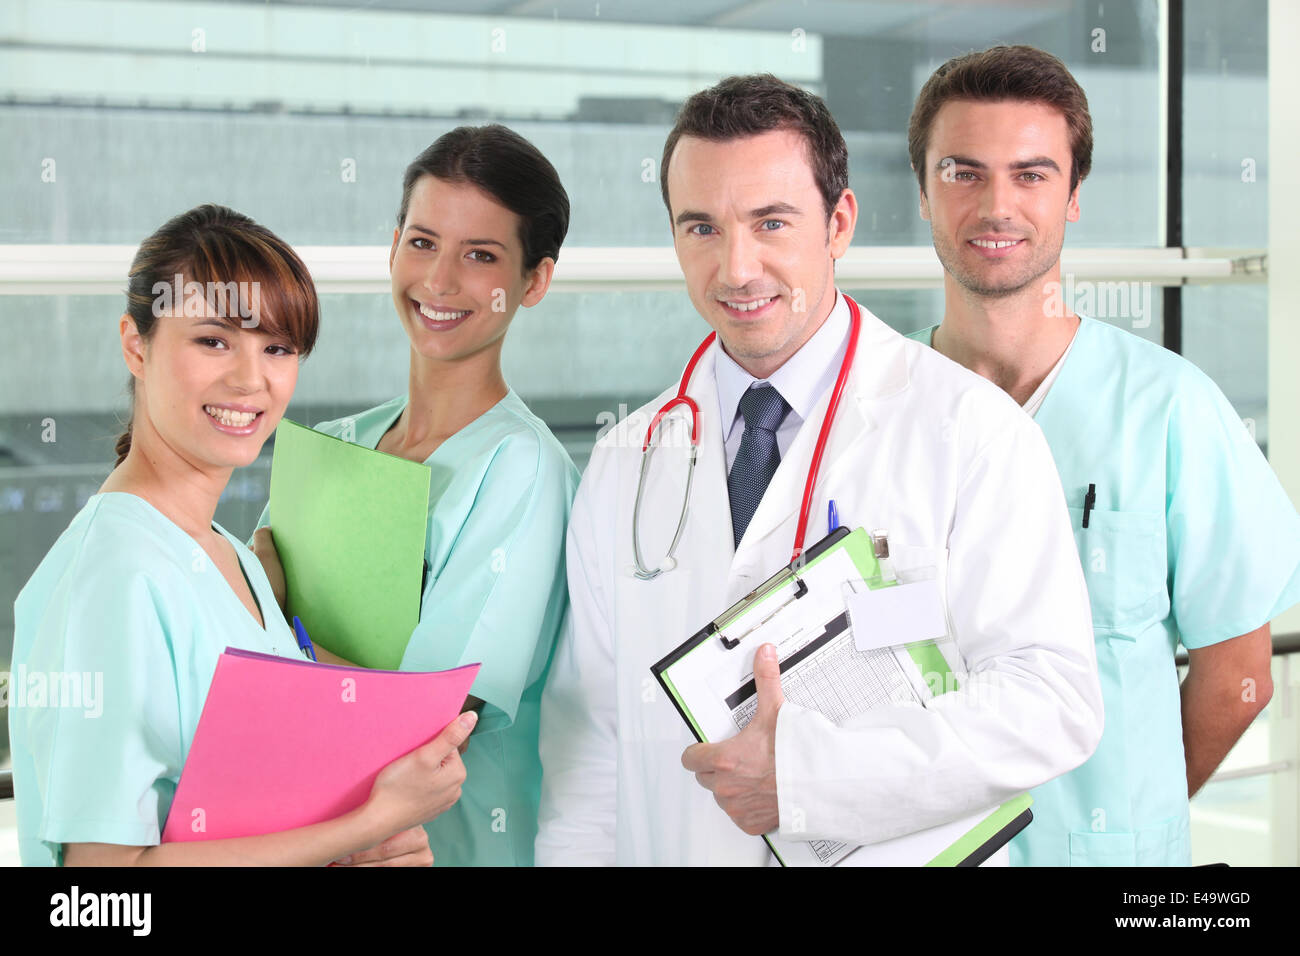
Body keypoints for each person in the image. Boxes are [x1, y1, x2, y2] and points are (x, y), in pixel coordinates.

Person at [536, 74, 1103, 866]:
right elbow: (589, 745)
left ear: (838, 224)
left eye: (772, 222)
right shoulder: (625, 459)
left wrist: (810, 777)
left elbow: (1052, 703)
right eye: (701, 228)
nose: (737, 268)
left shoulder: (968, 429)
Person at [905, 45, 1300, 866]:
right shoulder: (875, 412)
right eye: (963, 172)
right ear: (923, 192)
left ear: (1075, 195)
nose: (996, 206)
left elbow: (1238, 673)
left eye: (1032, 174)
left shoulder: (1169, 409)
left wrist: (1127, 819)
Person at [8, 204, 474, 866]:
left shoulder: (234, 557)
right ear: (135, 343)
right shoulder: (114, 577)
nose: (251, 380)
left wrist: (353, 852)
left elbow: (249, 823)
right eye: (213, 340)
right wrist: (370, 821)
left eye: (278, 349)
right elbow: (103, 887)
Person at [254, 125, 579, 867]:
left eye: (481, 256)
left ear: (535, 281)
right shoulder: (332, 443)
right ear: (393, 244)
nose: (439, 281)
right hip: (313, 842)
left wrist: (277, 616)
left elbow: (427, 724)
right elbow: (229, 651)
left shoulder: (522, 470)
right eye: (424, 242)